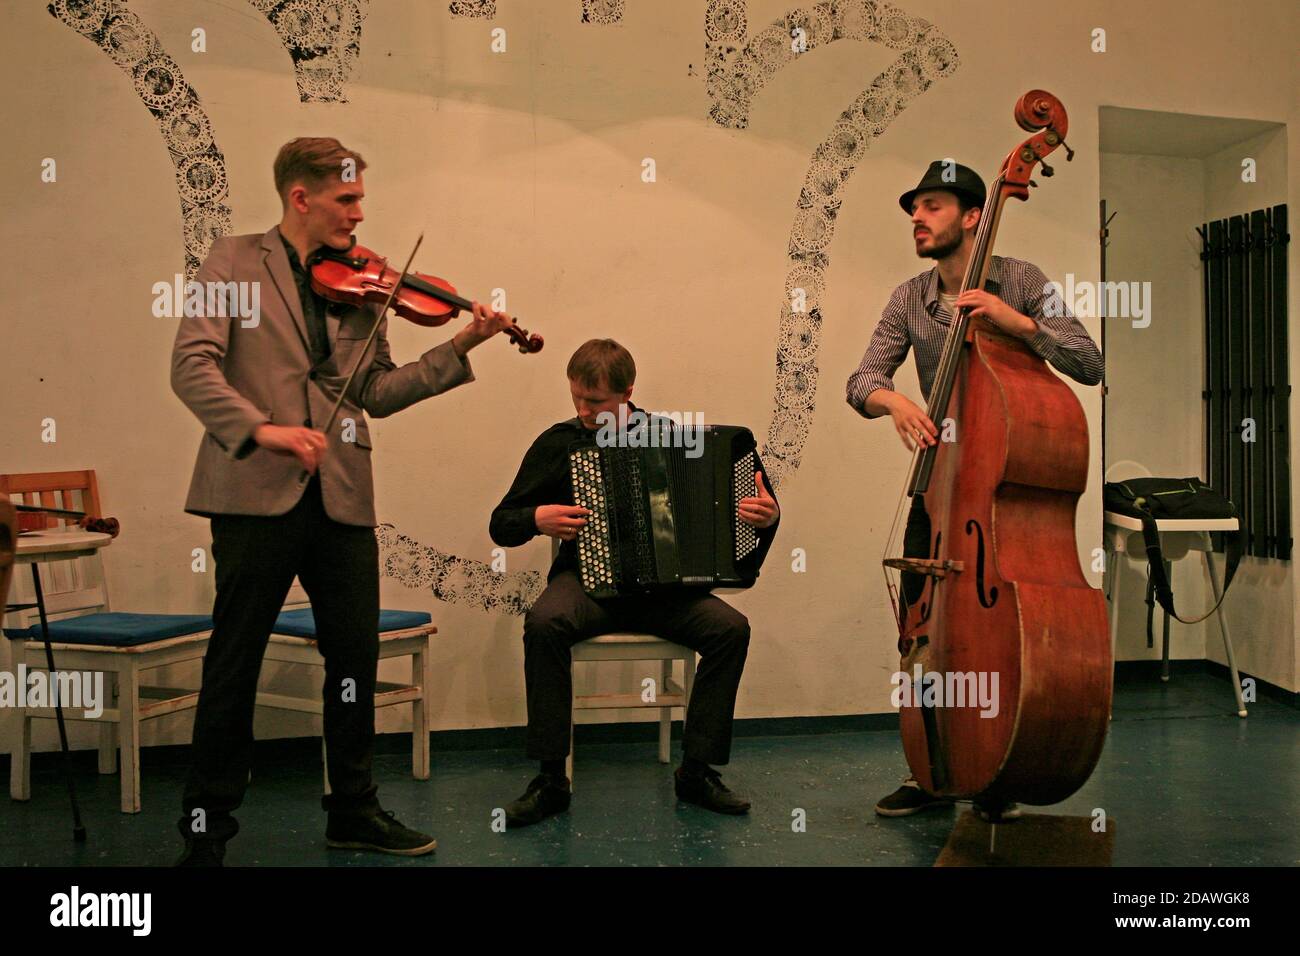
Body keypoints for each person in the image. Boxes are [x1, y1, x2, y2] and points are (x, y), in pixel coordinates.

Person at [170, 137, 515, 865]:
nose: (360, 217)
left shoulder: (364, 282)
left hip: (342, 495)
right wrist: (261, 430)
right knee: (233, 660)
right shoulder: (230, 261)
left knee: (354, 662)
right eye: (347, 200)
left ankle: (353, 808)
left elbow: (376, 393)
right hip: (252, 491)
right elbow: (192, 365)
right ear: (302, 197)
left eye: (361, 200)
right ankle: (207, 825)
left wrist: (463, 345)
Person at [845, 160, 1103, 819]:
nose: (917, 218)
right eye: (913, 208)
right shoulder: (910, 298)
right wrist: (893, 403)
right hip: (936, 497)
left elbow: (1088, 360)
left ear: (971, 217)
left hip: (997, 502)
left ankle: (997, 765)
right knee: (924, 640)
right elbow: (862, 378)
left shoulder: (1023, 282)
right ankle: (932, 770)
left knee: (1002, 639)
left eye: (931, 205)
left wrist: (1014, 322)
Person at [489, 339, 779, 827]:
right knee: (544, 622)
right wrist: (537, 518)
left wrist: (765, 518)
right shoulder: (560, 443)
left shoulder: (671, 436)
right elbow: (502, 522)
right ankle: (550, 779)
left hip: (665, 593)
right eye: (577, 397)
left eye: (596, 401)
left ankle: (697, 771)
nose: (583, 410)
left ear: (628, 393)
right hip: (586, 584)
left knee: (731, 629)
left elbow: (739, 509)